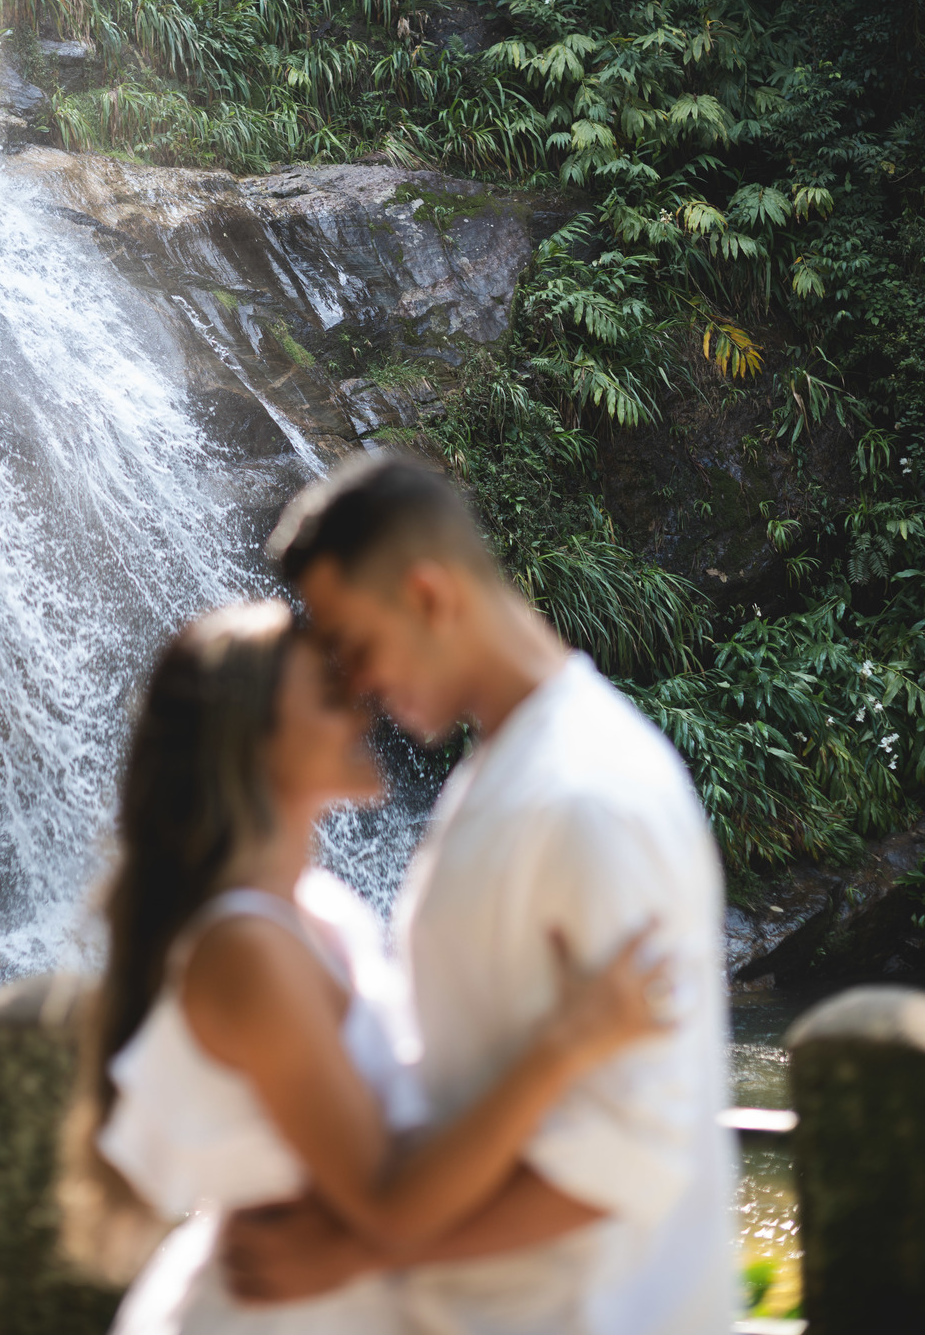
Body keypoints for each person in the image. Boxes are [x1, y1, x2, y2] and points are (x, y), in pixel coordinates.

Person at [61, 598, 678, 1335]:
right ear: (253, 742)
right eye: (328, 698)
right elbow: (386, 1199)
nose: (362, 713)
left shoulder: (319, 909)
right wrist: (567, 1041)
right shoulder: (247, 953)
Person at [224, 454, 734, 1335]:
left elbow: (633, 1153)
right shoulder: (508, 765)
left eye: (355, 649)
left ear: (428, 596)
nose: (357, 691)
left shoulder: (588, 798)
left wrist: (360, 1249)